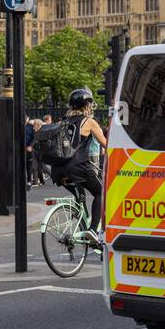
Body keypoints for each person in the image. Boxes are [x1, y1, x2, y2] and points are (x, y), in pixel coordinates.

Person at [60, 88, 108, 234]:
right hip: (78, 167)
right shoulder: (89, 121)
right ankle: (92, 230)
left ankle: (81, 226)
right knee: (100, 192)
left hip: (59, 169)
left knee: (79, 196)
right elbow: (107, 144)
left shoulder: (64, 121)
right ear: (87, 105)